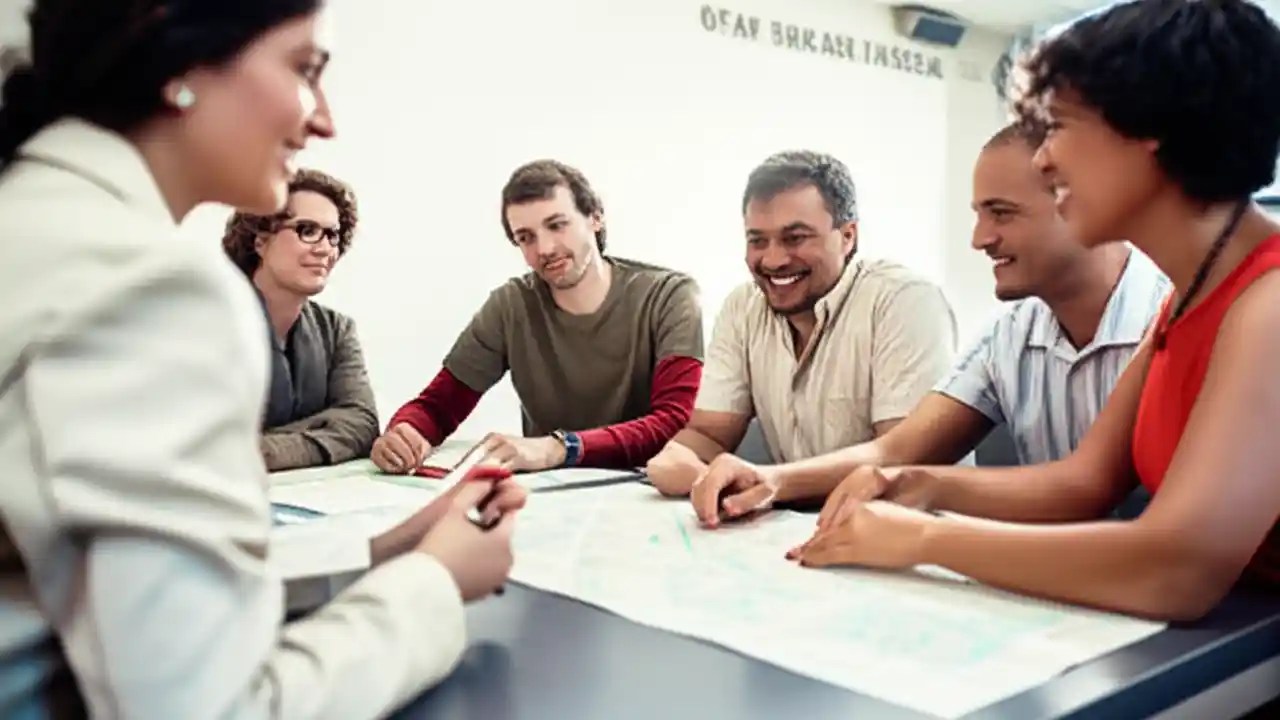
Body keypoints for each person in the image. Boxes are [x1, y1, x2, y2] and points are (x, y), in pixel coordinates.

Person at [0, 2, 524, 717]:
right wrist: (434, 582)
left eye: (333, 236)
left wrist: (390, 545)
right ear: (179, 52)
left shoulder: (34, 218)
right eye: (305, 69)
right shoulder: (157, 287)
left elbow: (142, 569)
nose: (324, 120)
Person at [791, 0, 1280, 623]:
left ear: (1149, 131)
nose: (1044, 160)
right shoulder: (1189, 298)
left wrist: (925, 539)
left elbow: (1176, 569)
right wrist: (919, 484)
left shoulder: (1268, 303)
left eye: (1058, 127)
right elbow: (1082, 482)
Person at [687, 122, 1169, 526]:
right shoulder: (1008, 332)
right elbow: (899, 451)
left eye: (1001, 213)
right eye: (978, 215)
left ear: (1085, 202)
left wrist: (923, 512)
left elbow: (1108, 505)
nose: (979, 239)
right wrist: (771, 480)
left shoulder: (1172, 320)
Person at [645, 150, 957, 496]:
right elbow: (708, 434)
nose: (774, 259)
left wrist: (770, 483)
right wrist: (679, 457)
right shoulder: (742, 307)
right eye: (757, 240)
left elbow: (901, 463)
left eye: (795, 238)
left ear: (848, 236)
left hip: (908, 522)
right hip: (796, 520)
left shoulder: (904, 300)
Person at [372, 159, 704, 474]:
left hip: (648, 489)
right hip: (546, 496)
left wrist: (558, 448)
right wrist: (405, 433)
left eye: (557, 225)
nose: (544, 248)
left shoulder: (670, 296)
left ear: (595, 218)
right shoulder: (510, 306)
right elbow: (437, 407)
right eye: (526, 238)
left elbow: (675, 421)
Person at [223, 168, 379, 472]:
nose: (325, 249)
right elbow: (203, 445)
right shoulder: (207, 321)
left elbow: (362, 423)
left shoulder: (337, 329)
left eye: (332, 235)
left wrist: (261, 450)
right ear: (260, 240)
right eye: (307, 230)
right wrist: (325, 429)